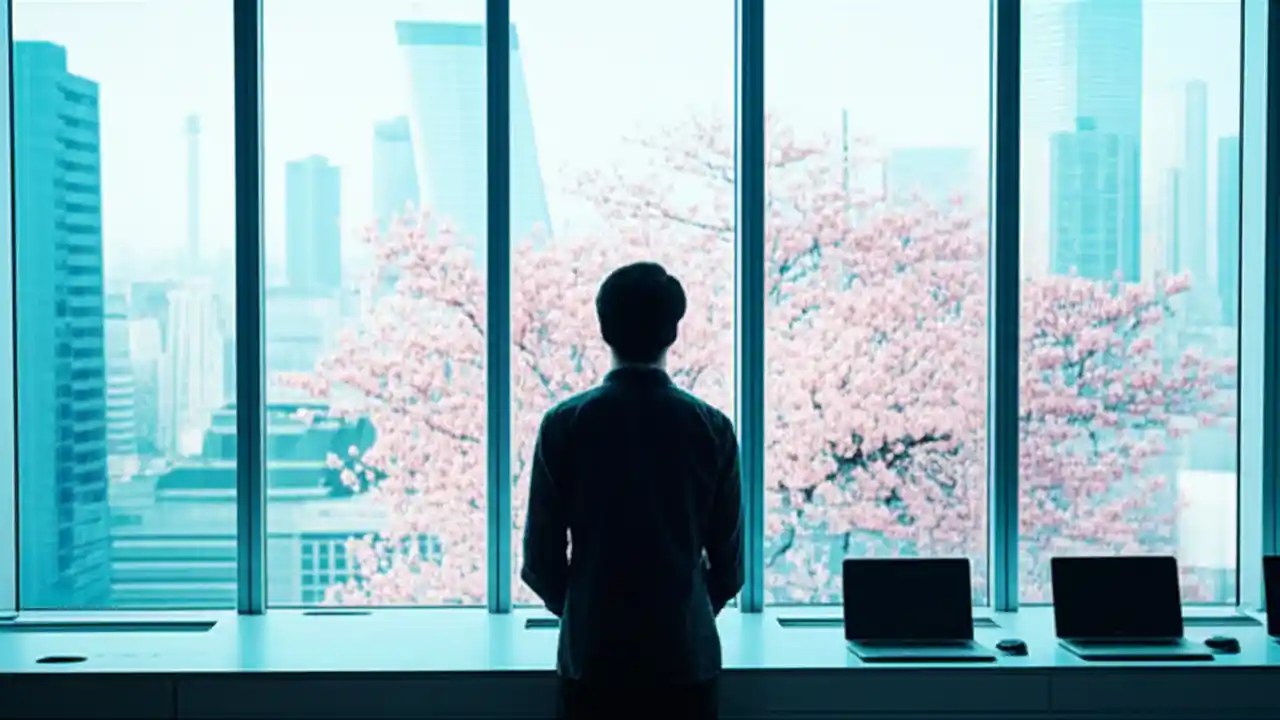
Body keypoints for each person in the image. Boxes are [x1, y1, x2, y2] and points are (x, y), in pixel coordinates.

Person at [521, 261, 744, 720]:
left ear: (604, 330)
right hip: (685, 656)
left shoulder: (565, 425)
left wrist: (588, 608)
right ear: (673, 332)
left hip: (594, 658)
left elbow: (540, 563)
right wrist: (686, 609)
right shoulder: (712, 428)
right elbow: (730, 567)